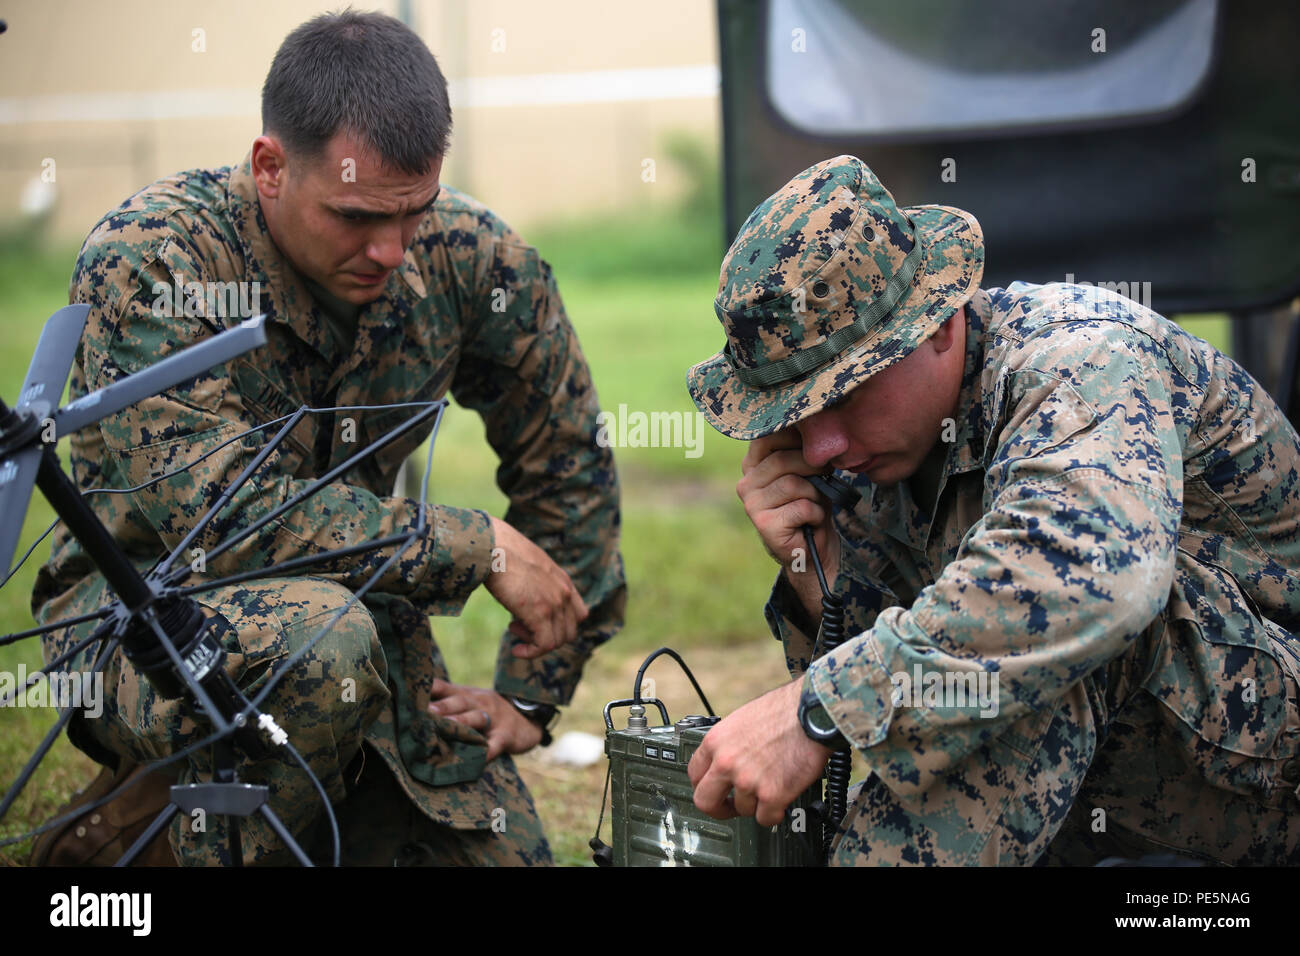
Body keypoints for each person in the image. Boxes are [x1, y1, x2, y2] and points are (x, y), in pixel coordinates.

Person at [30, 10, 625, 866]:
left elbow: (571, 466)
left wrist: (531, 699)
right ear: (270, 167)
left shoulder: (471, 260)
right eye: (354, 217)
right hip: (141, 621)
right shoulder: (159, 261)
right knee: (316, 643)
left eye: (412, 211)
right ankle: (126, 839)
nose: (390, 251)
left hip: (368, 633)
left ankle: (320, 792)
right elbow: (225, 522)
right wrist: (478, 546)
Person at [684, 154, 1300, 866]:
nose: (819, 446)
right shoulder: (870, 455)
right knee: (969, 653)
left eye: (842, 395)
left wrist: (820, 706)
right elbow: (898, 707)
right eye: (795, 413)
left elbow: (1090, 585)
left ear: (938, 324)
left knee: (1035, 624)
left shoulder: (1077, 358)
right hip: (1154, 786)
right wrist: (815, 575)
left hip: (1273, 755)